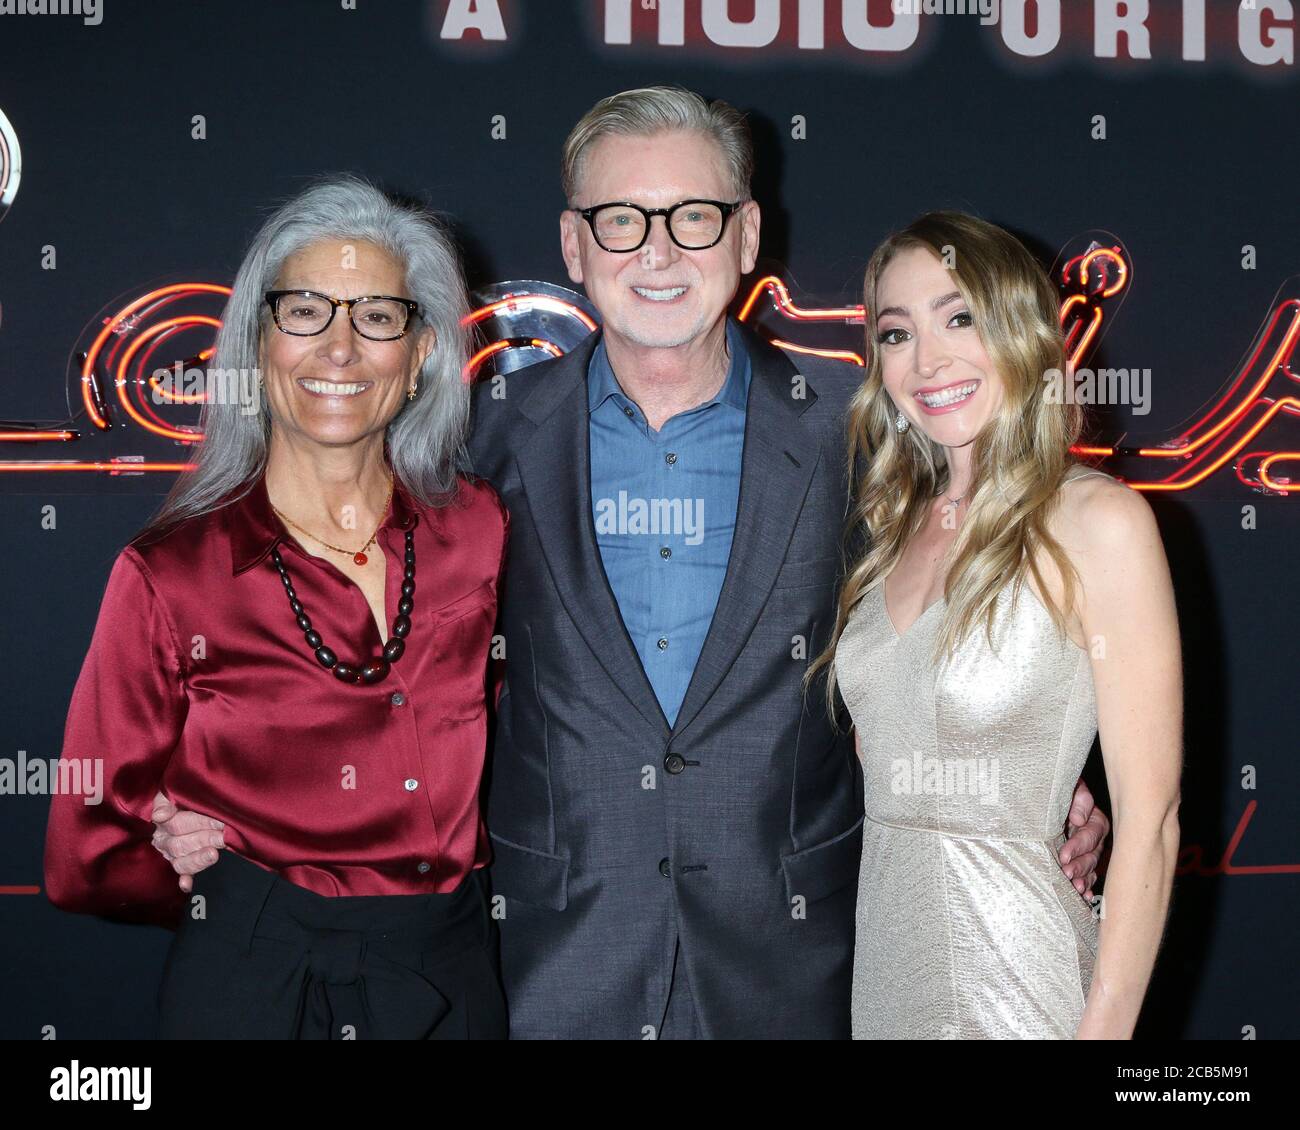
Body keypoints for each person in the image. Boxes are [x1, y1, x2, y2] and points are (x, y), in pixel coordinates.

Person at [152, 88, 1110, 1039]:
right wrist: (218, 797)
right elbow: (374, 664)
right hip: (551, 960)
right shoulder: (478, 446)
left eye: (692, 218)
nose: (657, 252)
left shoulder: (858, 430)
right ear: (573, 246)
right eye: (621, 221)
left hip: (791, 963)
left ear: (745, 237)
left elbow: (941, 618)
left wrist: (1032, 774)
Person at [44, 175, 510, 1040]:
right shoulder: (169, 575)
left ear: (418, 359)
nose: (339, 348)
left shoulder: (482, 530)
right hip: (256, 987)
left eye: (377, 316)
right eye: (304, 312)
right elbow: (87, 848)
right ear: (257, 346)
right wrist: (174, 866)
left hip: (452, 980)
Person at [815, 210, 1182, 1039]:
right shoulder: (894, 529)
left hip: (1025, 990)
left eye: (959, 317)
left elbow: (1153, 820)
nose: (928, 358)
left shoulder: (1097, 521)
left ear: (1017, 329)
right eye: (896, 333)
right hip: (886, 982)